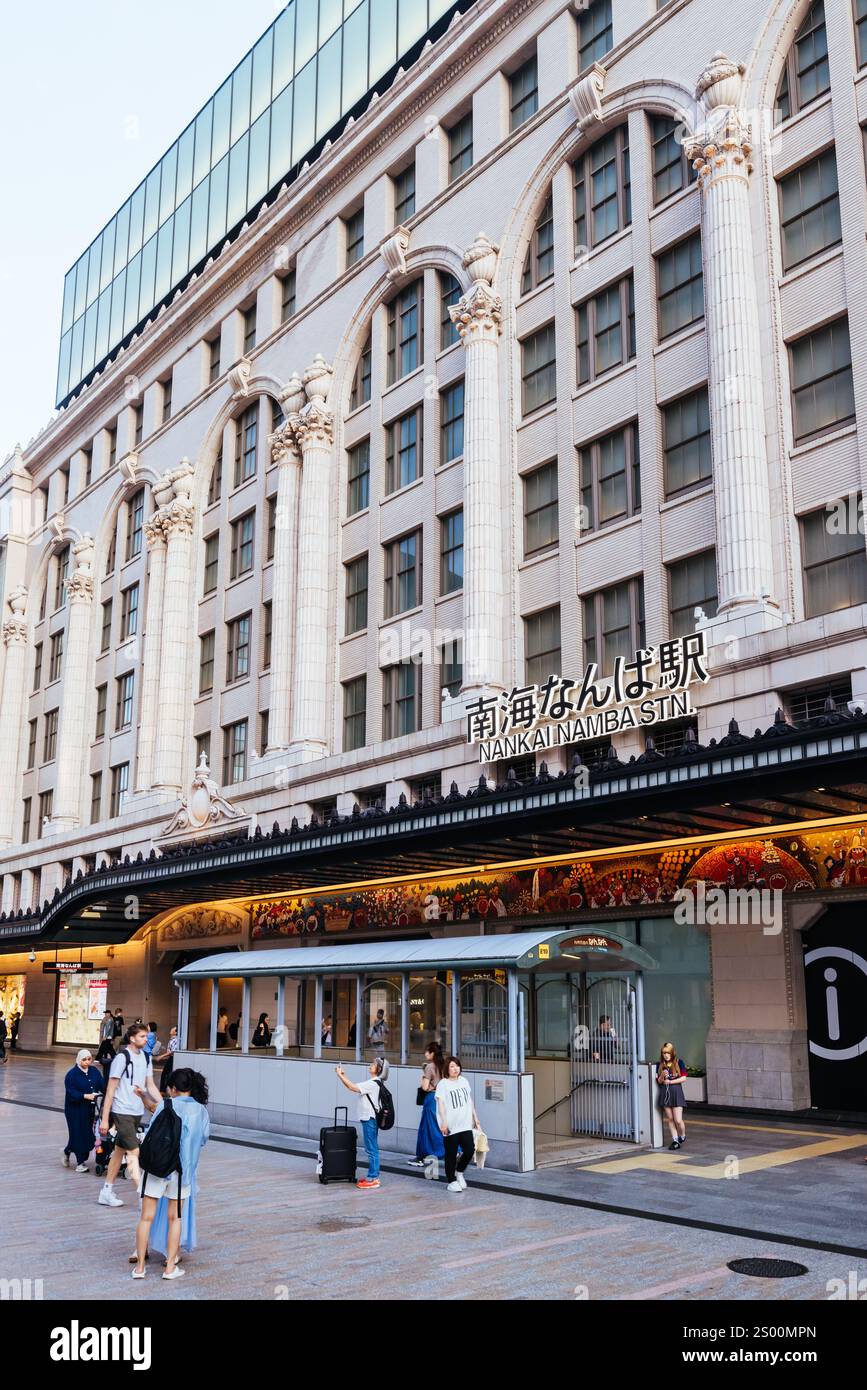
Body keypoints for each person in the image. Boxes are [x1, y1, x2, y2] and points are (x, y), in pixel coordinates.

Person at [132, 1067, 210, 1281]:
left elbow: (151, 1133)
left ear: (174, 1088)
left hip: (157, 1169)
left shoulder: (165, 1105)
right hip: (181, 1173)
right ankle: (169, 1268)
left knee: (145, 1217)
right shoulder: (201, 1111)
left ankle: (139, 1268)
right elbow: (203, 1139)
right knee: (175, 1218)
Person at [97, 1024, 162, 1207]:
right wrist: (104, 1118)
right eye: (142, 1036)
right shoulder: (122, 1058)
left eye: (146, 1036)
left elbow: (150, 1085)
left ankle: (106, 1191)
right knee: (134, 1151)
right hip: (121, 1110)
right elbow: (110, 1089)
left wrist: (165, 1103)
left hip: (136, 1111)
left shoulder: (147, 1057)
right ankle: (142, 1194)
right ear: (132, 1038)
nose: (146, 1039)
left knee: (119, 1152)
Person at [336, 1058, 389, 1190]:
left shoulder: (373, 1083)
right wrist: (342, 1076)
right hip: (369, 1119)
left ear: (379, 1069)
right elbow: (352, 1087)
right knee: (371, 1148)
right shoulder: (374, 1082)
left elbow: (352, 1087)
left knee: (372, 1149)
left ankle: (374, 1178)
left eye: (374, 1064)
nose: (370, 1065)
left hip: (369, 1119)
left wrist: (340, 1075)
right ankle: (372, 1176)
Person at [436, 1056, 480, 1194]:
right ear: (447, 1069)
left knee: (469, 1150)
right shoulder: (443, 1084)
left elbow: (469, 1100)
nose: (455, 1069)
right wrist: (444, 1121)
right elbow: (441, 1104)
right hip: (450, 1125)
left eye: (457, 1066)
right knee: (451, 1154)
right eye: (452, 1067)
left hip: (465, 1123)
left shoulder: (464, 1081)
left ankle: (459, 1171)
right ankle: (451, 1181)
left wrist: (476, 1118)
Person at [63, 1049, 105, 1171]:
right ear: (78, 1059)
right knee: (78, 1133)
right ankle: (80, 1163)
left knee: (87, 1134)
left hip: (89, 1109)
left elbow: (102, 1085)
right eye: (84, 1059)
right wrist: (84, 1096)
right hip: (74, 1110)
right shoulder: (72, 1074)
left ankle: (67, 1151)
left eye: (89, 1059)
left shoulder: (94, 1071)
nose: (87, 1062)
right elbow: (71, 1093)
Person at [409, 1041, 445, 1168]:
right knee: (441, 1127)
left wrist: (427, 1081)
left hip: (431, 1099)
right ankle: (453, 1151)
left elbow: (424, 1087)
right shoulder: (445, 1066)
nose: (425, 1053)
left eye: (427, 1051)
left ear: (432, 1053)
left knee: (428, 1128)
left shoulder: (430, 1067)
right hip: (444, 1100)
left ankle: (423, 1156)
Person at [657, 1042, 688, 1150]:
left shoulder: (679, 1062)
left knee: (678, 1120)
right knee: (670, 1118)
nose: (666, 1055)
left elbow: (684, 1078)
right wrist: (662, 1075)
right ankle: (675, 1140)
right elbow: (659, 1081)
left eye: (668, 1053)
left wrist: (671, 1082)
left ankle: (682, 1135)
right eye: (663, 1053)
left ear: (672, 1053)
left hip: (676, 1092)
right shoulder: (660, 1064)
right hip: (665, 1093)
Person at [154, 1026, 179, 1092]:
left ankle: (163, 1091)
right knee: (167, 1074)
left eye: (173, 1028)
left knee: (166, 1074)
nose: (171, 1029)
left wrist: (161, 1056)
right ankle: (165, 1090)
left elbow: (173, 1051)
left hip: (173, 1058)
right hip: (171, 1058)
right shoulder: (172, 1039)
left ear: (176, 1032)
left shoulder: (176, 1040)